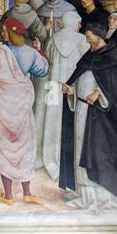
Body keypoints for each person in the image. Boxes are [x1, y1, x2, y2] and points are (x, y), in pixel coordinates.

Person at [58, 24, 117, 208]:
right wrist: (71, 90)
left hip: (101, 116)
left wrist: (100, 94)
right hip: (82, 110)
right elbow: (79, 78)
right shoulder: (89, 55)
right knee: (79, 150)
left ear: (99, 35)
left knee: (96, 152)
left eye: (90, 33)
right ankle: (84, 196)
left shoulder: (115, 57)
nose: (86, 36)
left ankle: (99, 198)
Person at [0, 19, 49, 205]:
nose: (2, 34)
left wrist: (0, 81)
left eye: (3, 31)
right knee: (24, 146)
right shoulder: (30, 52)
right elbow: (42, 70)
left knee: (5, 148)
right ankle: (26, 193)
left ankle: (9, 196)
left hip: (2, 107)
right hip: (22, 104)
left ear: (11, 32)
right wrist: (39, 51)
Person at [37, 10, 88, 178]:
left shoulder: (52, 39)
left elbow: (48, 58)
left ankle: (52, 158)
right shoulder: (82, 40)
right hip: (74, 86)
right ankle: (70, 163)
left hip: (53, 86)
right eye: (79, 23)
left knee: (53, 120)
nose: (80, 26)